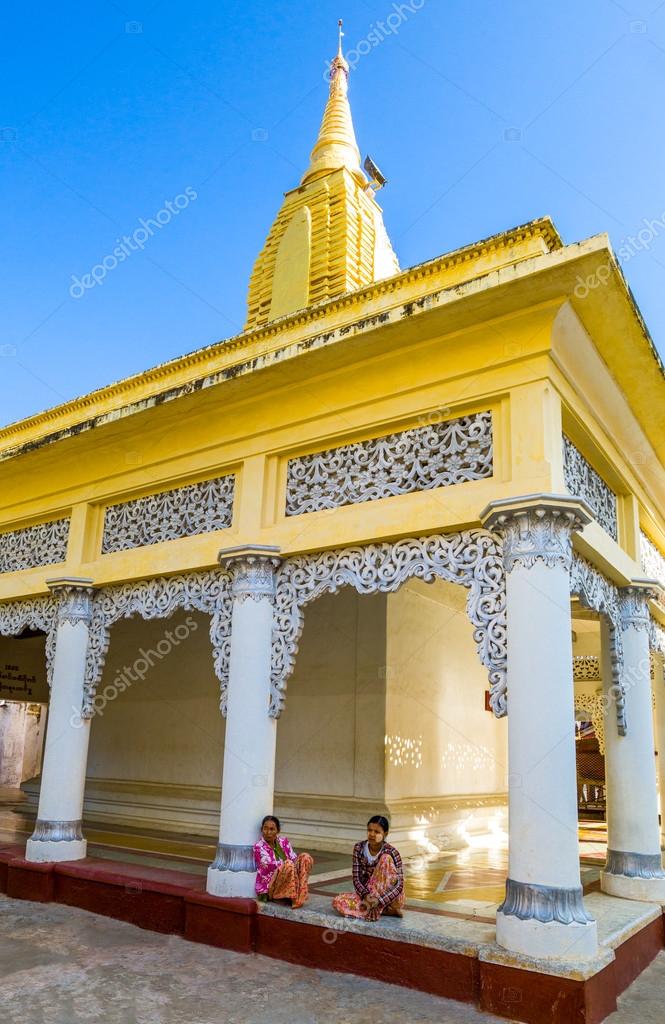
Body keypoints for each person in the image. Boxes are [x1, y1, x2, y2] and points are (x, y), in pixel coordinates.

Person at [332, 815, 405, 921]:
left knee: (385, 859)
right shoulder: (359, 848)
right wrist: (366, 896)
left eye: (377, 832)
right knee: (338, 901)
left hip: (390, 898)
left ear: (385, 834)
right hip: (368, 897)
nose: (372, 834)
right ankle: (385, 911)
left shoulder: (392, 852)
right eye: (369, 830)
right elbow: (356, 878)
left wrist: (378, 901)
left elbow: (399, 885)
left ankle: (379, 907)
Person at [253, 814, 313, 908]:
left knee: (306, 857)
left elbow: (294, 857)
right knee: (288, 864)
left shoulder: (283, 842)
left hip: (290, 875)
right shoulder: (258, 847)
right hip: (271, 885)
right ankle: (282, 896)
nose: (268, 832)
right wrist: (288, 866)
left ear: (278, 831)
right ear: (262, 829)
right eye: (265, 828)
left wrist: (298, 866)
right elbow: (267, 868)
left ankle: (299, 894)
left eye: (272, 829)